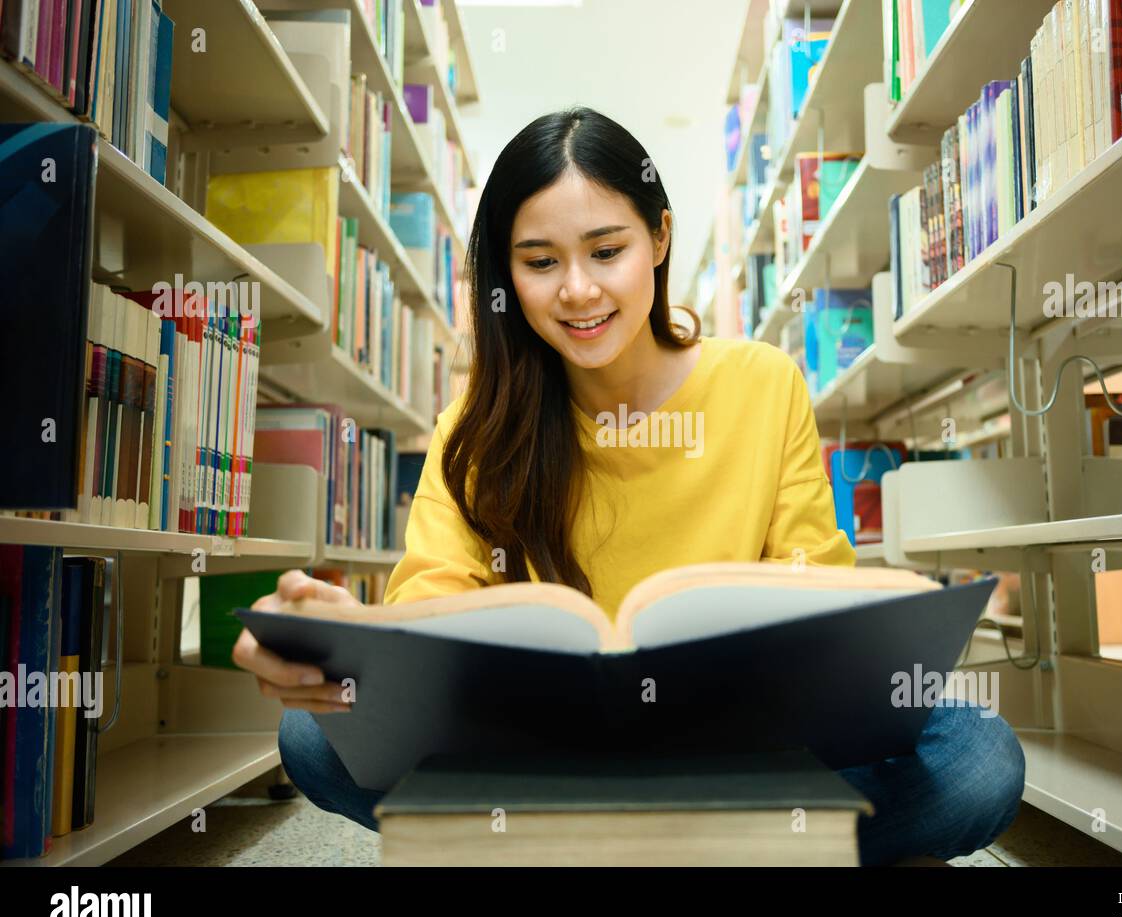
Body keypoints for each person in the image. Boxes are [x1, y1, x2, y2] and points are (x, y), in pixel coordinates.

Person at [232, 107, 1025, 865]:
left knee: (978, 753)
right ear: (505, 273)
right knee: (311, 737)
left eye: (606, 251)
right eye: (540, 263)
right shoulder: (474, 429)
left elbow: (816, 585)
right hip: (543, 764)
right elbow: (426, 611)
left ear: (659, 238)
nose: (577, 290)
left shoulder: (760, 383)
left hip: (736, 757)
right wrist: (339, 643)